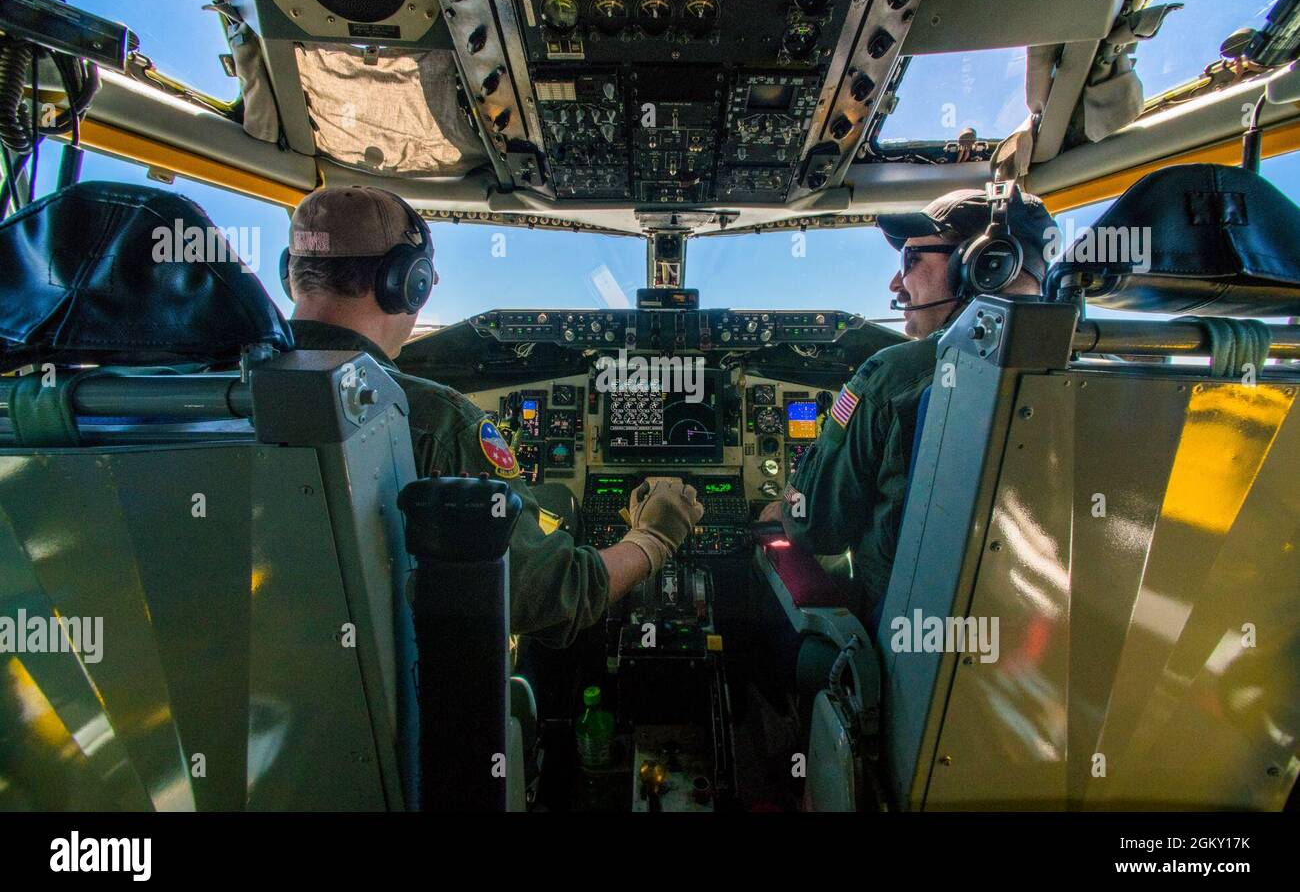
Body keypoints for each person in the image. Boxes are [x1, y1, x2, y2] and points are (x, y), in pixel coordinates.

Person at [282, 185, 703, 647]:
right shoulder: (437, 420)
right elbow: (549, 597)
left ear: (293, 273)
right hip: (411, 692)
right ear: (408, 281)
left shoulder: (210, 389)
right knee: (558, 504)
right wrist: (652, 538)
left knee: (556, 499)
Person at [760, 186, 1057, 620]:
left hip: (903, 637)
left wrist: (780, 509)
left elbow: (817, 525)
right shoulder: (1105, 374)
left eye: (911, 261)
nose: (896, 285)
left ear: (981, 265)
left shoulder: (892, 376)